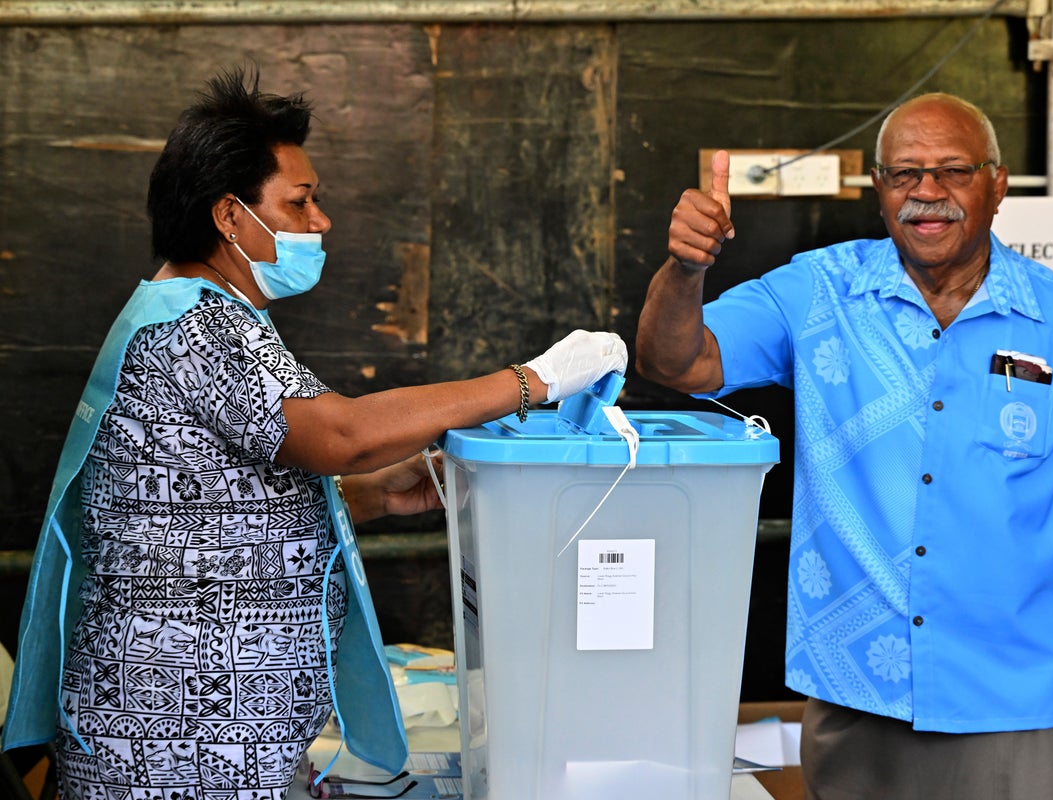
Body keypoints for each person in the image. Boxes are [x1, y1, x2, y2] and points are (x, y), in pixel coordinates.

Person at [1, 66, 627, 800]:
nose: (320, 220)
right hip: (175, 753)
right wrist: (534, 381)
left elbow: (201, 506)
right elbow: (342, 435)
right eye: (300, 202)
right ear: (230, 216)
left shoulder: (200, 314)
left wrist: (364, 499)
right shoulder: (197, 326)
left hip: (205, 741)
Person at [636, 92, 1053, 799]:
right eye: (904, 174)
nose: (928, 192)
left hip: (1019, 703)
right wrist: (684, 268)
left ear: (997, 185)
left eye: (953, 171)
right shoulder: (817, 292)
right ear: (878, 190)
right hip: (860, 693)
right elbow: (675, 363)